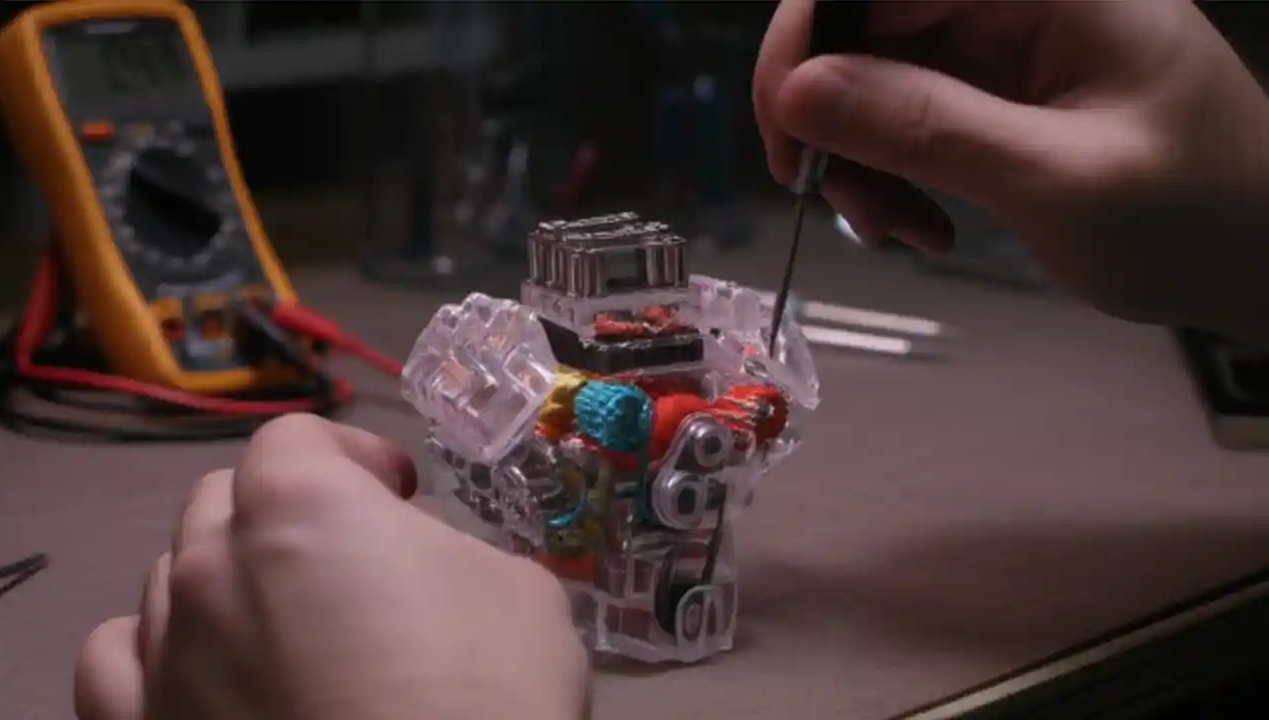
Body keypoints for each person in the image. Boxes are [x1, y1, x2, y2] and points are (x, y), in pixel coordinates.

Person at [74, 2, 1269, 719]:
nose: (649, 322)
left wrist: (735, 418)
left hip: (652, 549)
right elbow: (471, 395)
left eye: (656, 315)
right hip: (573, 549)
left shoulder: (718, 335)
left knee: (665, 562)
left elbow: (774, 390)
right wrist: (571, 416)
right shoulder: (519, 350)